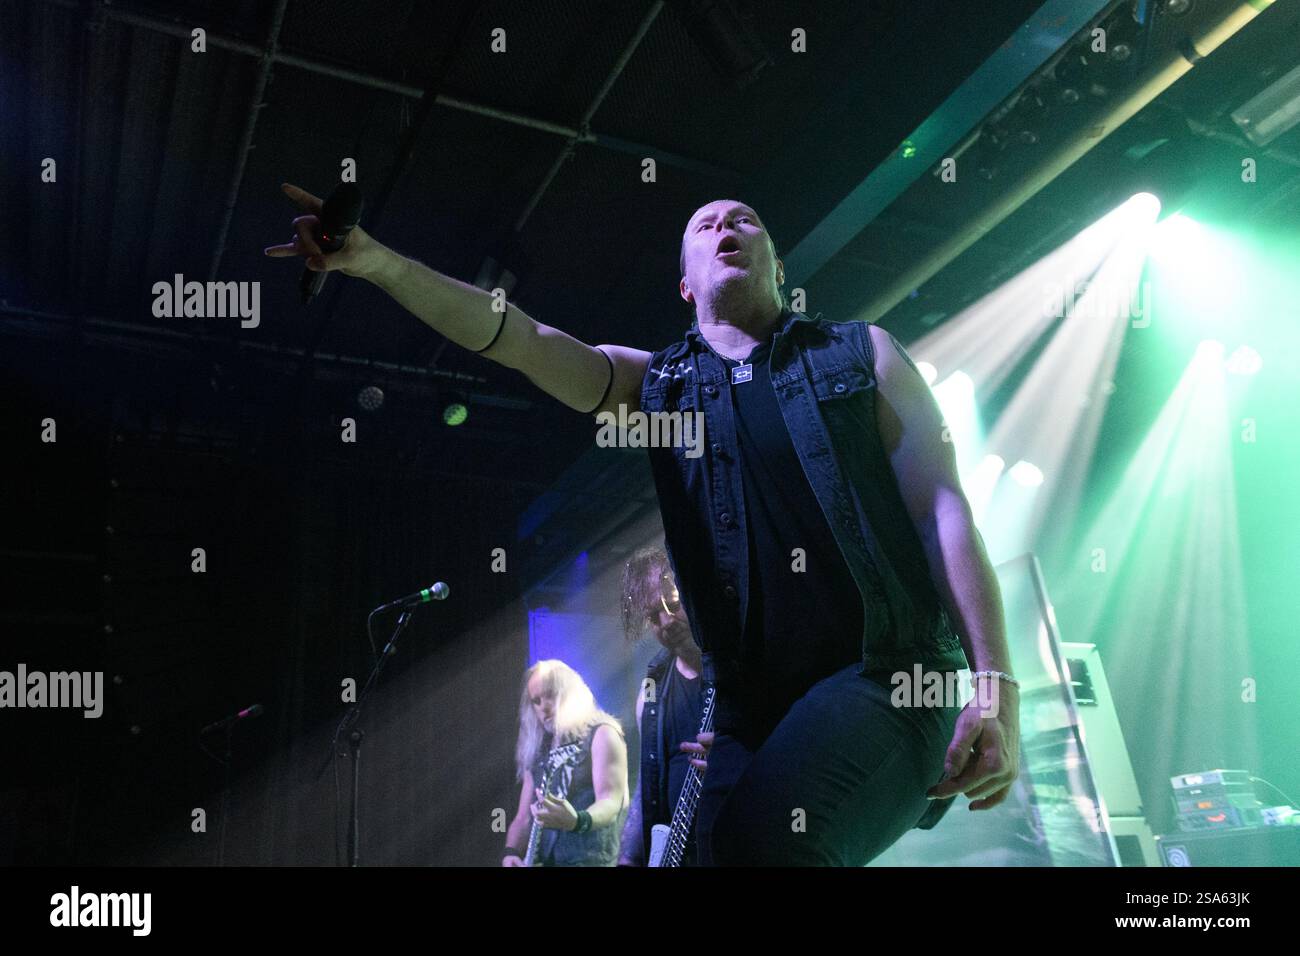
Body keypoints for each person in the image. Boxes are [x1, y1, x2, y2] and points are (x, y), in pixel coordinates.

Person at [266, 188, 1020, 866]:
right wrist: (378, 263)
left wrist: (995, 683)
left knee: (769, 842)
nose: (726, 224)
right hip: (748, 713)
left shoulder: (863, 353)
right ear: (686, 282)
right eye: (706, 223)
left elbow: (941, 512)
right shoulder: (657, 388)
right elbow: (517, 339)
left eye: (744, 218)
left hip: (887, 675)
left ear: (779, 267)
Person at [616, 547, 708, 866]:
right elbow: (647, 788)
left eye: (674, 603)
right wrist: (628, 857)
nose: (666, 621)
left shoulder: (740, 672)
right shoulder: (651, 694)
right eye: (653, 615)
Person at [500, 660, 628, 867]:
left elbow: (611, 802)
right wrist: (510, 852)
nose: (544, 707)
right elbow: (523, 816)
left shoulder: (602, 733)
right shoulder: (539, 748)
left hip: (591, 860)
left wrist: (578, 820)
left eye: (550, 694)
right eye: (536, 700)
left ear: (570, 692)